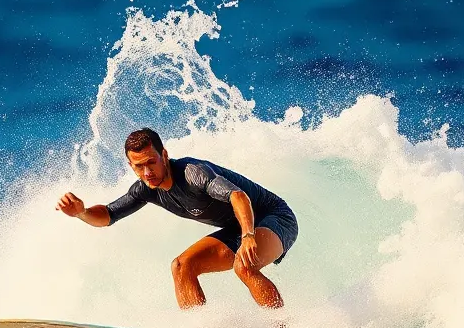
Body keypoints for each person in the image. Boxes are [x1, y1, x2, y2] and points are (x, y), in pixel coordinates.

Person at [57, 128, 297, 309]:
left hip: (274, 217)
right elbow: (108, 215)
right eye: (139, 166)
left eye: (151, 162)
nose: (147, 172)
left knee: (244, 265)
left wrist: (248, 235)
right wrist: (81, 212)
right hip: (236, 227)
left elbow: (237, 196)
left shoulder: (193, 173)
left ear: (164, 155)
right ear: (131, 166)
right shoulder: (145, 189)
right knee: (182, 266)